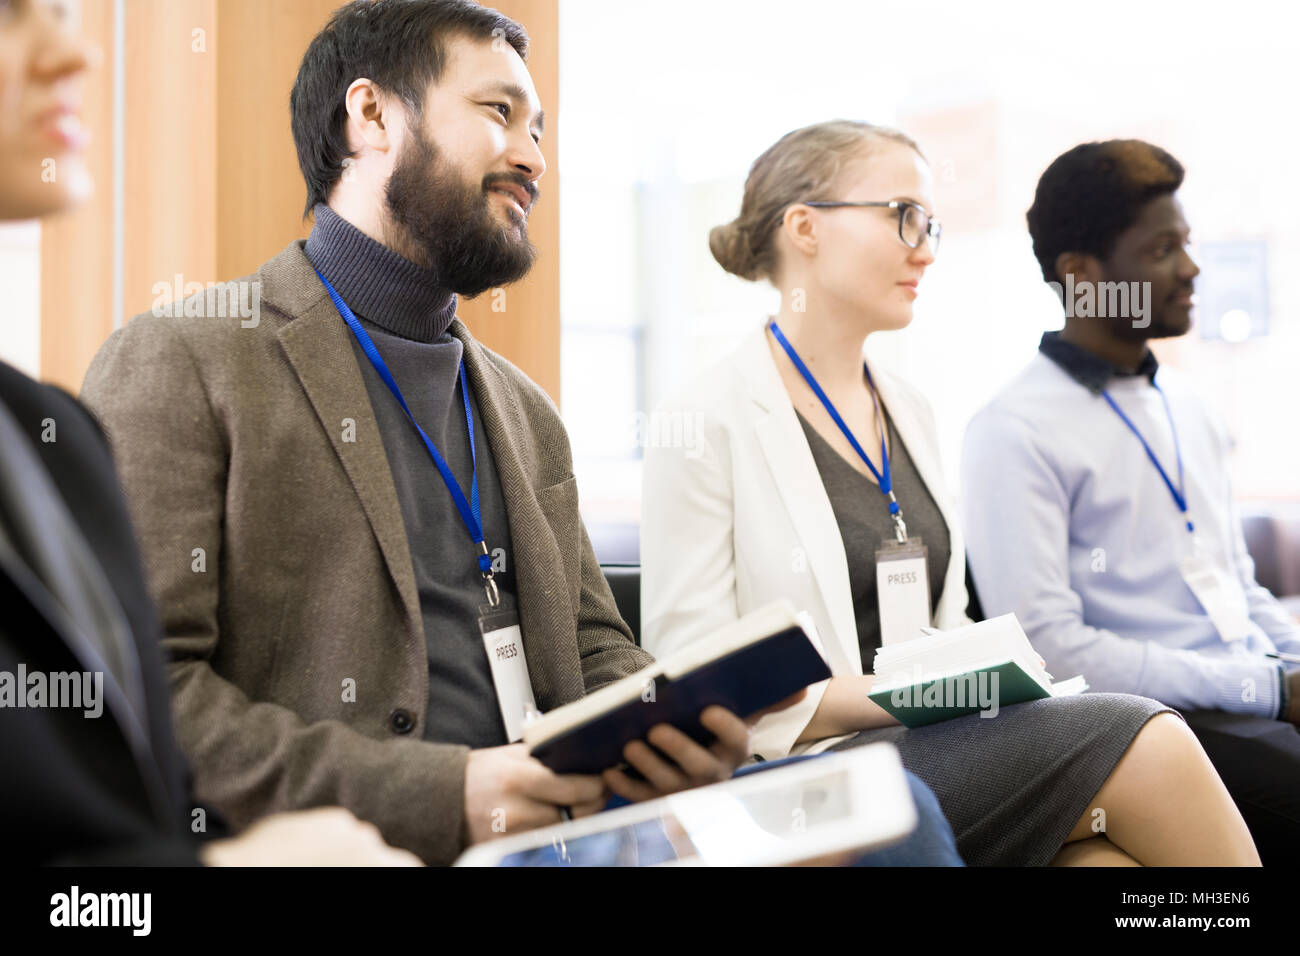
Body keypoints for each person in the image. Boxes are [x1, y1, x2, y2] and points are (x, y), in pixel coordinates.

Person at [79, 0, 960, 867]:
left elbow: (589, 644)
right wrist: (444, 792)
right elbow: (145, 696)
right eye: (499, 113)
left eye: (540, 128)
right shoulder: (183, 360)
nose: (533, 156)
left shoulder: (522, 408)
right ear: (372, 115)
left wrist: (684, 725)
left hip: (581, 829)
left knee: (883, 810)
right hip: (368, 845)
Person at [641, 119, 1262, 866]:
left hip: (931, 741)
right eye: (904, 215)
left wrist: (974, 681)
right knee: (1151, 737)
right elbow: (696, 673)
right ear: (803, 228)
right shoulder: (704, 416)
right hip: (799, 772)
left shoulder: (910, 407)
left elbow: (944, 625)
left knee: (1100, 862)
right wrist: (910, 696)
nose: (926, 247)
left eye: (931, 222)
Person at [0, 0, 419, 865]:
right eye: (11, 13)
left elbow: (133, 810)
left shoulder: (54, 439)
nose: (74, 56)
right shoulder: (175, 360)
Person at [962, 139, 1300, 863]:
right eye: (1162, 249)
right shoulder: (1011, 430)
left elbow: (1238, 586)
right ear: (1082, 275)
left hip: (1245, 694)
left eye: (1188, 242)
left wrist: (1291, 666)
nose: (1192, 267)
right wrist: (1266, 687)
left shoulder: (1189, 404)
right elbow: (1050, 649)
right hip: (1152, 727)